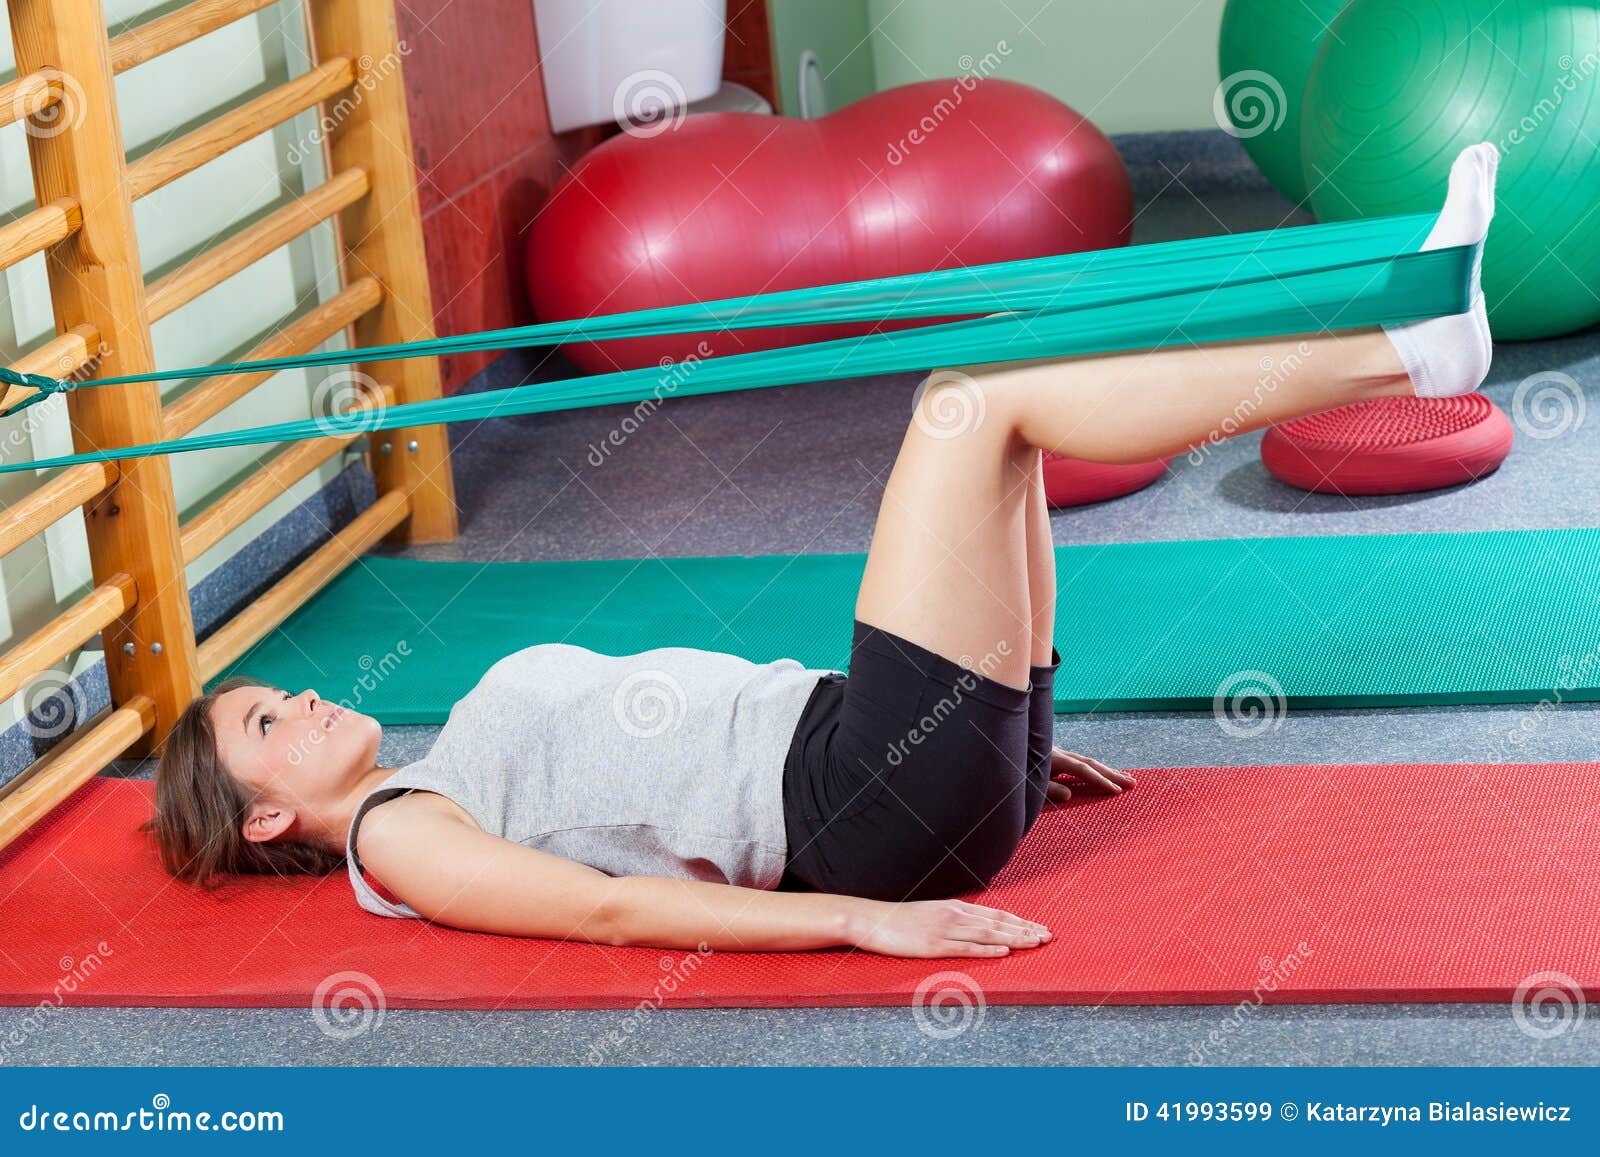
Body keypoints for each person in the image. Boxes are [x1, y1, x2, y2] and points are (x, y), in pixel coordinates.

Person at [147, 143, 1498, 960]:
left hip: (895, 766)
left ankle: (1400, 337)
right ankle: (1402, 351)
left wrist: (998, 733)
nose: (305, 694)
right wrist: (866, 921)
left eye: (281, 689)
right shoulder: (398, 836)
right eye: (271, 718)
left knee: (997, 403)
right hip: (866, 811)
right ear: (268, 814)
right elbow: (609, 917)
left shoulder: (434, 768)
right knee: (972, 405)